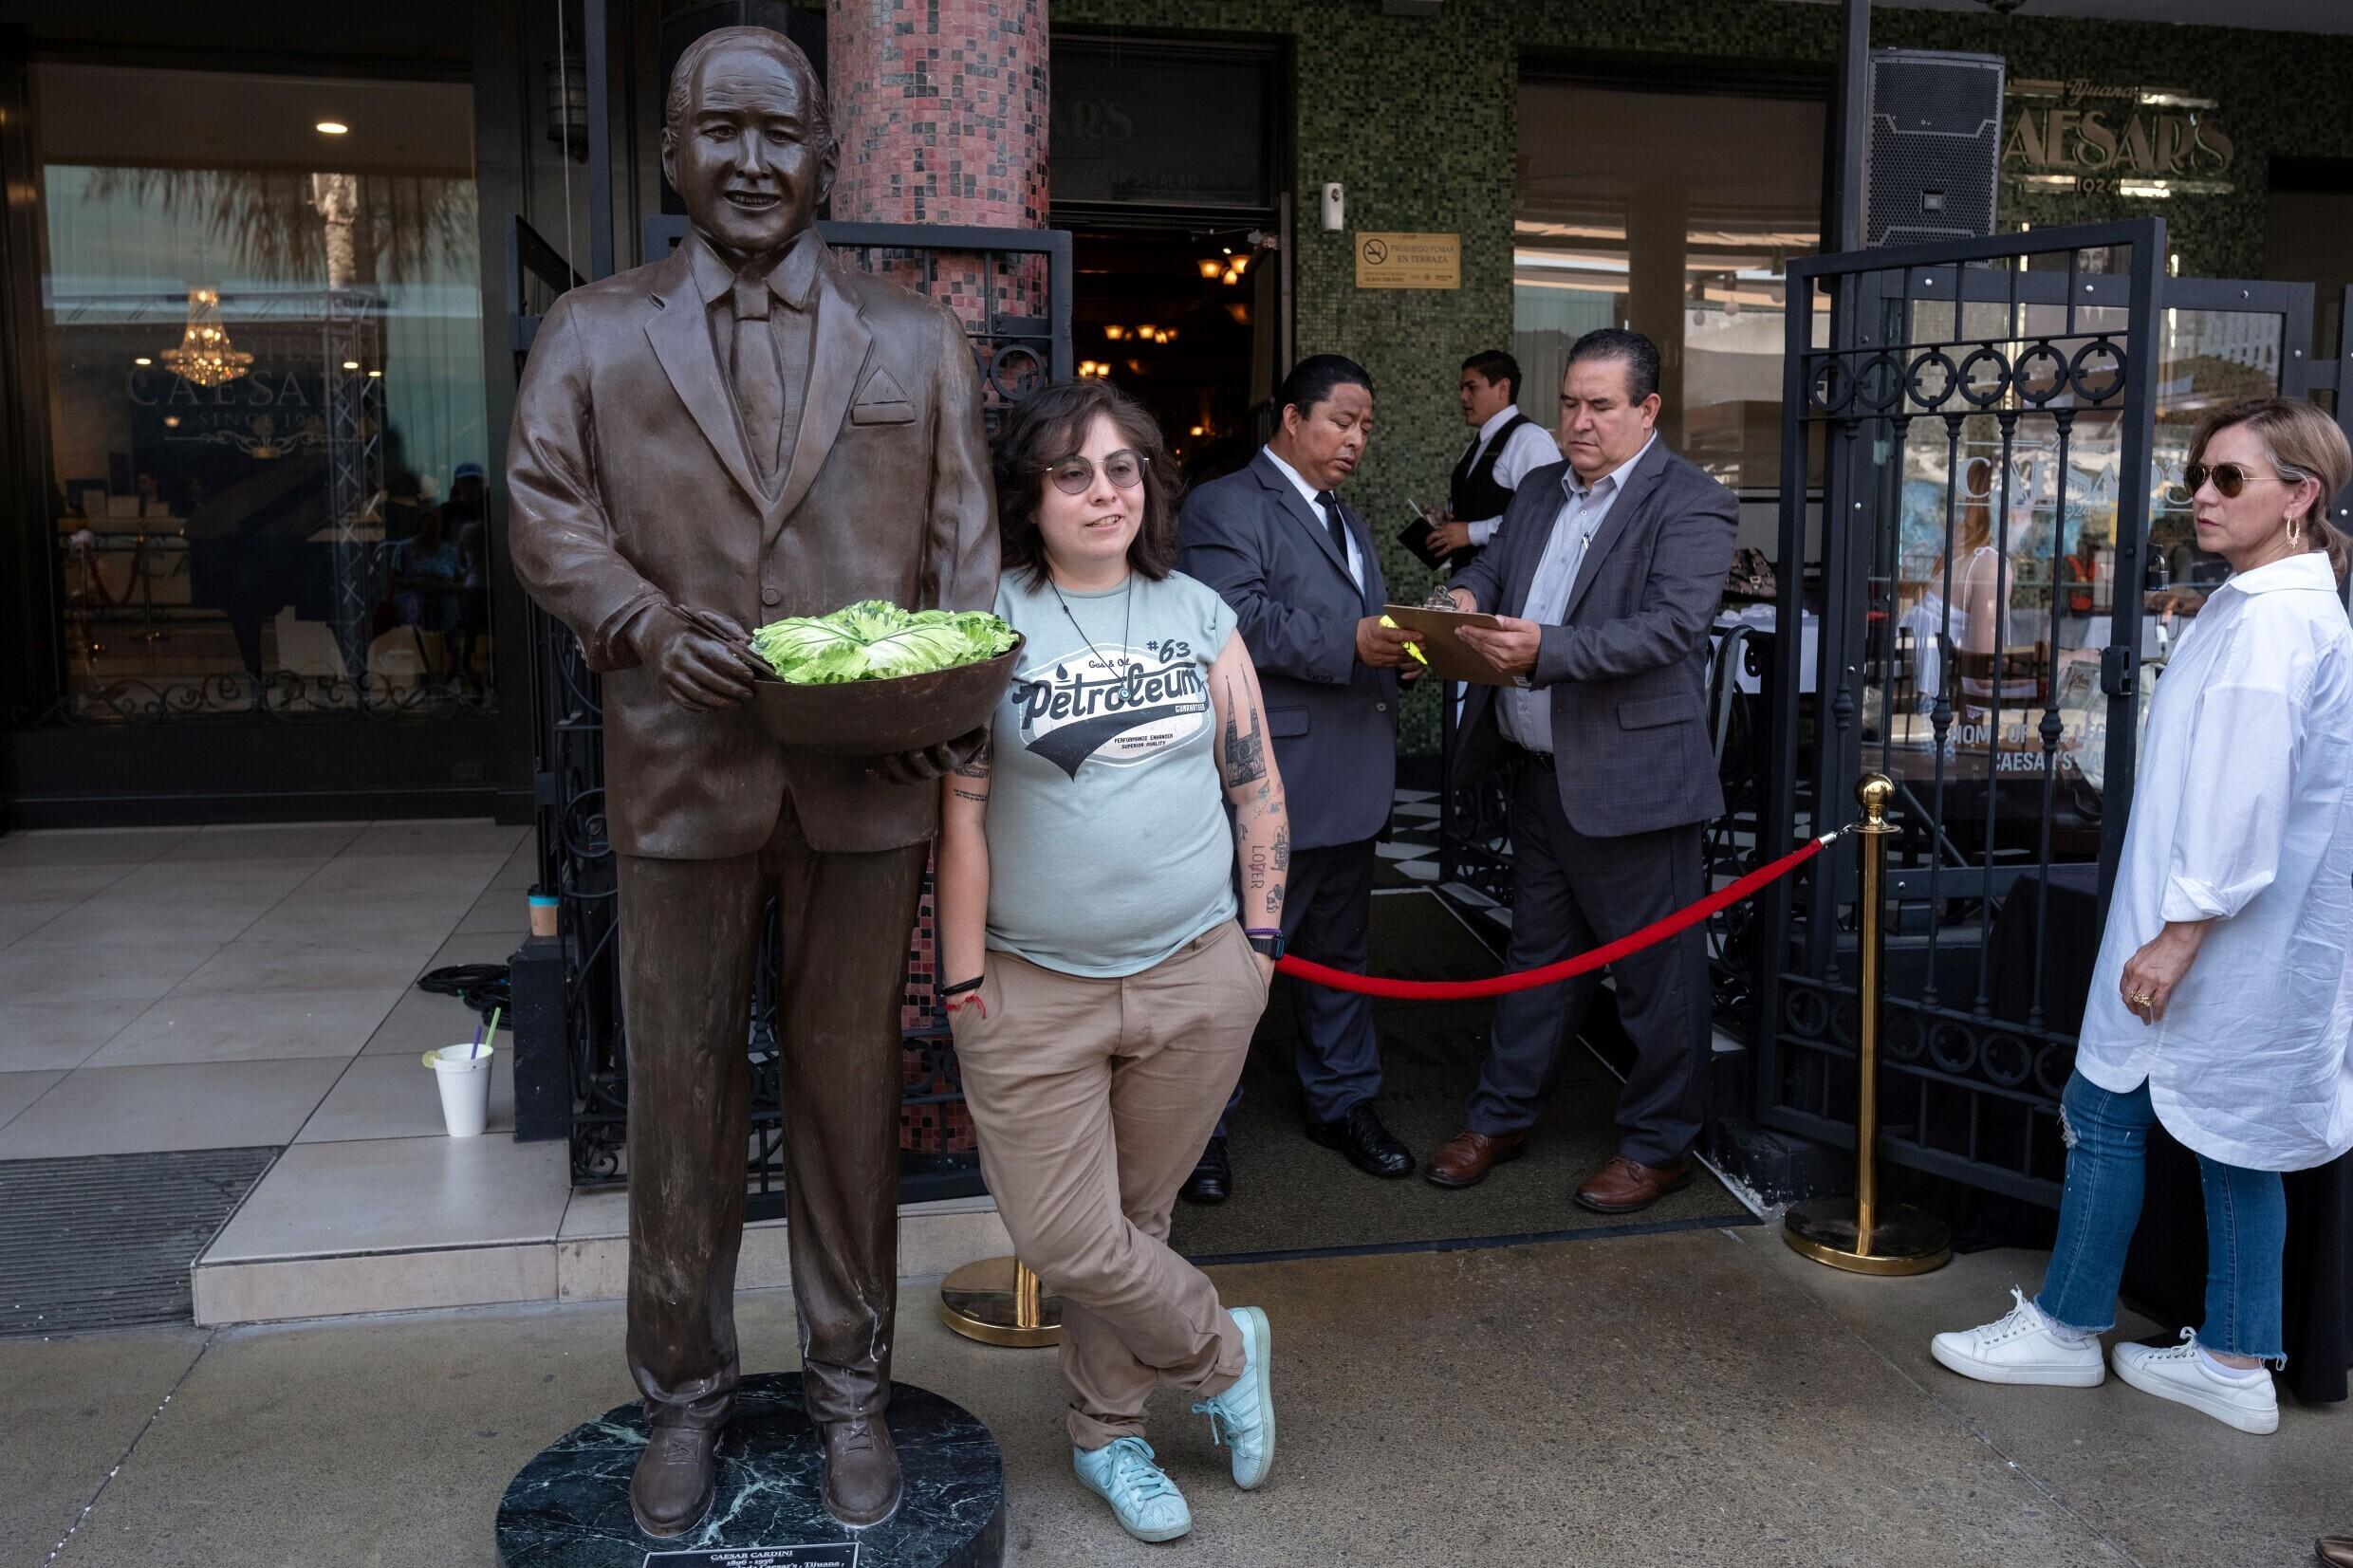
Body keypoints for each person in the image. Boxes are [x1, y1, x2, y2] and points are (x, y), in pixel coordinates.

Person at [506, 26, 994, 1537]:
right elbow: (543, 506)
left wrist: (945, 695)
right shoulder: (593, 330)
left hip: (863, 790)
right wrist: (642, 622)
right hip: (681, 772)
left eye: (782, 134)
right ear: (670, 152)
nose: (752, 162)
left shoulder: (914, 340)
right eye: (719, 131)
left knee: (855, 1099)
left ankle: (851, 1380)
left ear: (828, 154)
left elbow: (965, 543)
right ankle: (684, 1395)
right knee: (683, 1106)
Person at [1929, 397, 2353, 1436]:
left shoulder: (2271, 623)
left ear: (2298, 496)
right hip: (2242, 930)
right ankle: (2233, 1358)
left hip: (2210, 928)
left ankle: (2069, 1329)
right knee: (2231, 1138)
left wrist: (2177, 934)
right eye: (2196, 476)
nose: (2199, 497)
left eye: (2227, 480)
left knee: (2110, 1108)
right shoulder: (2268, 606)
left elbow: (2238, 800)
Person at [936, 378, 1282, 1542]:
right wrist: (962, 979)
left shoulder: (1199, 615)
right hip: (1030, 983)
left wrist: (1261, 944)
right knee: (1066, 1237)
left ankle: (1108, 1440)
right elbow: (963, 813)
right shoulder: (989, 623)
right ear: (1028, 496)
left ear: (1150, 485)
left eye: (1122, 468)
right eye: (1071, 472)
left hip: (1196, 970)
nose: (1102, 492)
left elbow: (1254, 782)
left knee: (1137, 1216)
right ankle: (1222, 1351)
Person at [1425, 328, 1737, 1212]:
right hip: (1536, 773)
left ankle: (1660, 1142)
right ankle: (1503, 1114)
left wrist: (1543, 649)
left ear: (1648, 410)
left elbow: (1671, 627)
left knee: (1655, 976)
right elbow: (1490, 565)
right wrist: (1463, 600)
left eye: (1601, 405)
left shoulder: (1690, 503)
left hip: (1634, 781)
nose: (1578, 421)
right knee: (1536, 960)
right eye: (1569, 402)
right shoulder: (1535, 490)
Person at [1177, 354, 1419, 1200]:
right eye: (1341, 420)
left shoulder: (1343, 517)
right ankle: (1199, 1131)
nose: (1357, 439)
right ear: (1289, 418)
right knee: (1236, 962)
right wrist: (1354, 643)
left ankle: (1343, 1100)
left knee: (1340, 954)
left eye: (1366, 426)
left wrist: (1405, 655)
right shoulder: (1225, 504)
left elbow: (1353, 625)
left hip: (1350, 776)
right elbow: (1230, 618)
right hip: (1270, 782)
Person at [1422, 349, 1561, 571]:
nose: (1463, 397)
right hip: (1470, 580)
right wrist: (1448, 521)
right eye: (1461, 389)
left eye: (1472, 387)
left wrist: (1469, 532)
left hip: (1504, 586)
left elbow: (1544, 517)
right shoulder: (1477, 443)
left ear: (1503, 388)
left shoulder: (1529, 440)